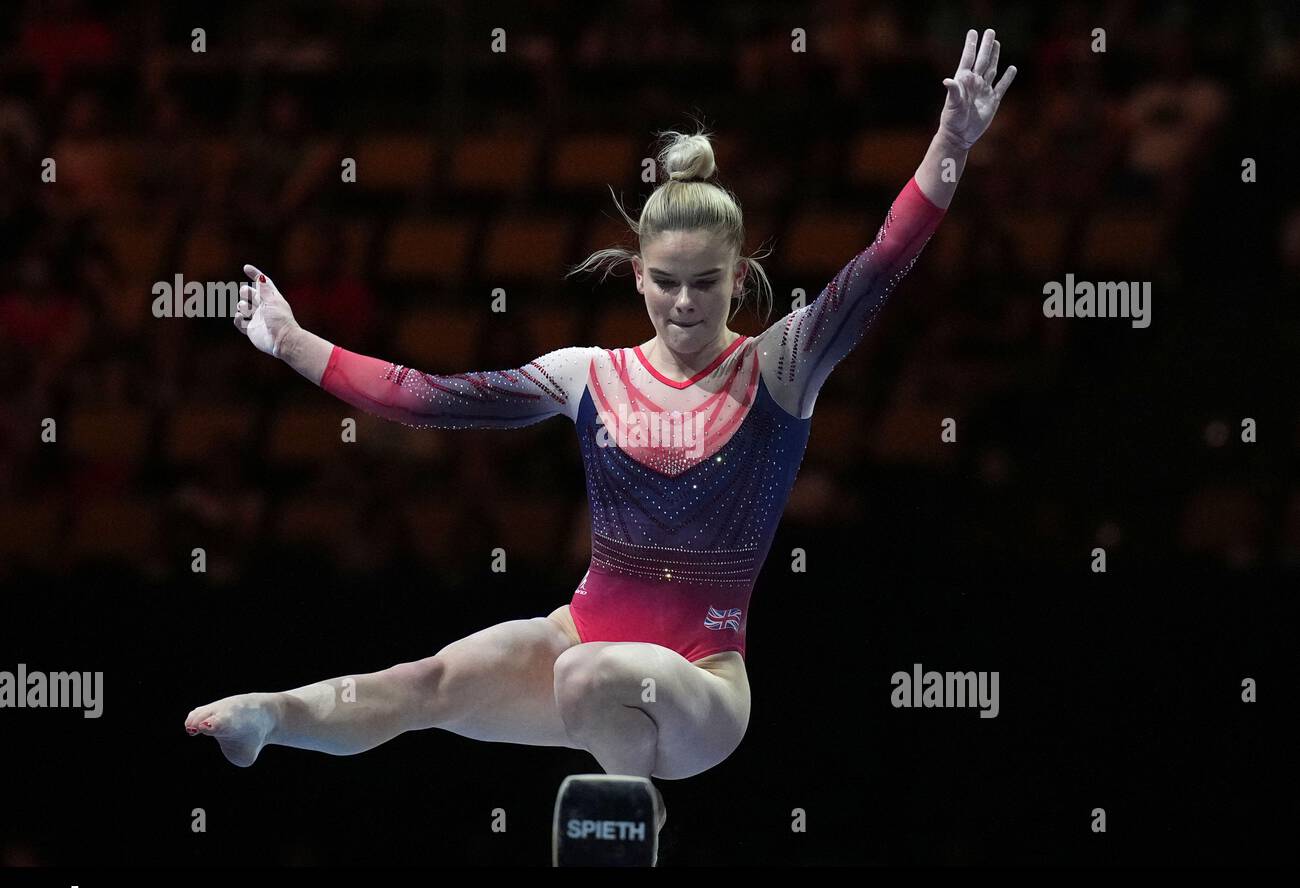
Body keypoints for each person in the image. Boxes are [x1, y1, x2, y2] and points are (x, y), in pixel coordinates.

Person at [186, 29, 1016, 838]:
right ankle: (272, 718)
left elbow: (882, 261)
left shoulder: (779, 368)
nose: (685, 303)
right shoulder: (590, 374)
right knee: (427, 682)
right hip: (581, 633)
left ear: (740, 275)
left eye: (705, 283)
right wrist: (292, 341)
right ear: (634, 276)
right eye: (665, 282)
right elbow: (430, 397)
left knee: (585, 674)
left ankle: (620, 820)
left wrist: (950, 141)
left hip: (703, 686)